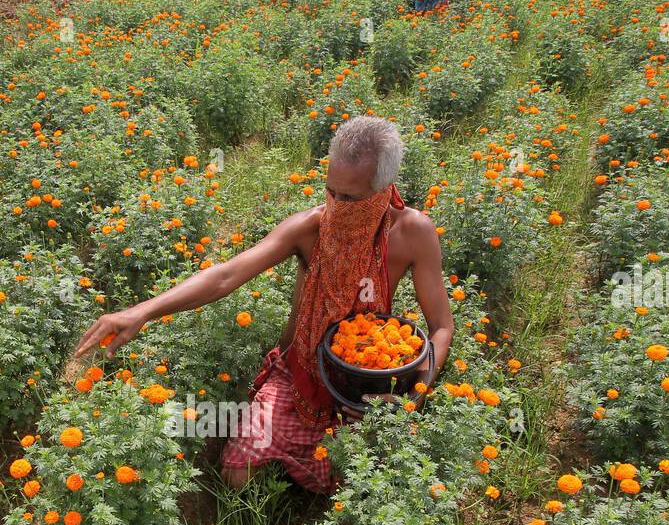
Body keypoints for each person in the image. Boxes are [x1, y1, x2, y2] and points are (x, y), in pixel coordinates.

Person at [74, 116, 454, 493]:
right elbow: (224, 276)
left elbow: (441, 326)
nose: (336, 207)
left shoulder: (412, 234)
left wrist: (412, 395)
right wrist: (143, 310)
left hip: (363, 388)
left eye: (350, 199)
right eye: (330, 192)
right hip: (299, 374)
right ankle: (286, 471)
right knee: (237, 475)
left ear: (383, 190)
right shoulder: (310, 228)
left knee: (357, 487)